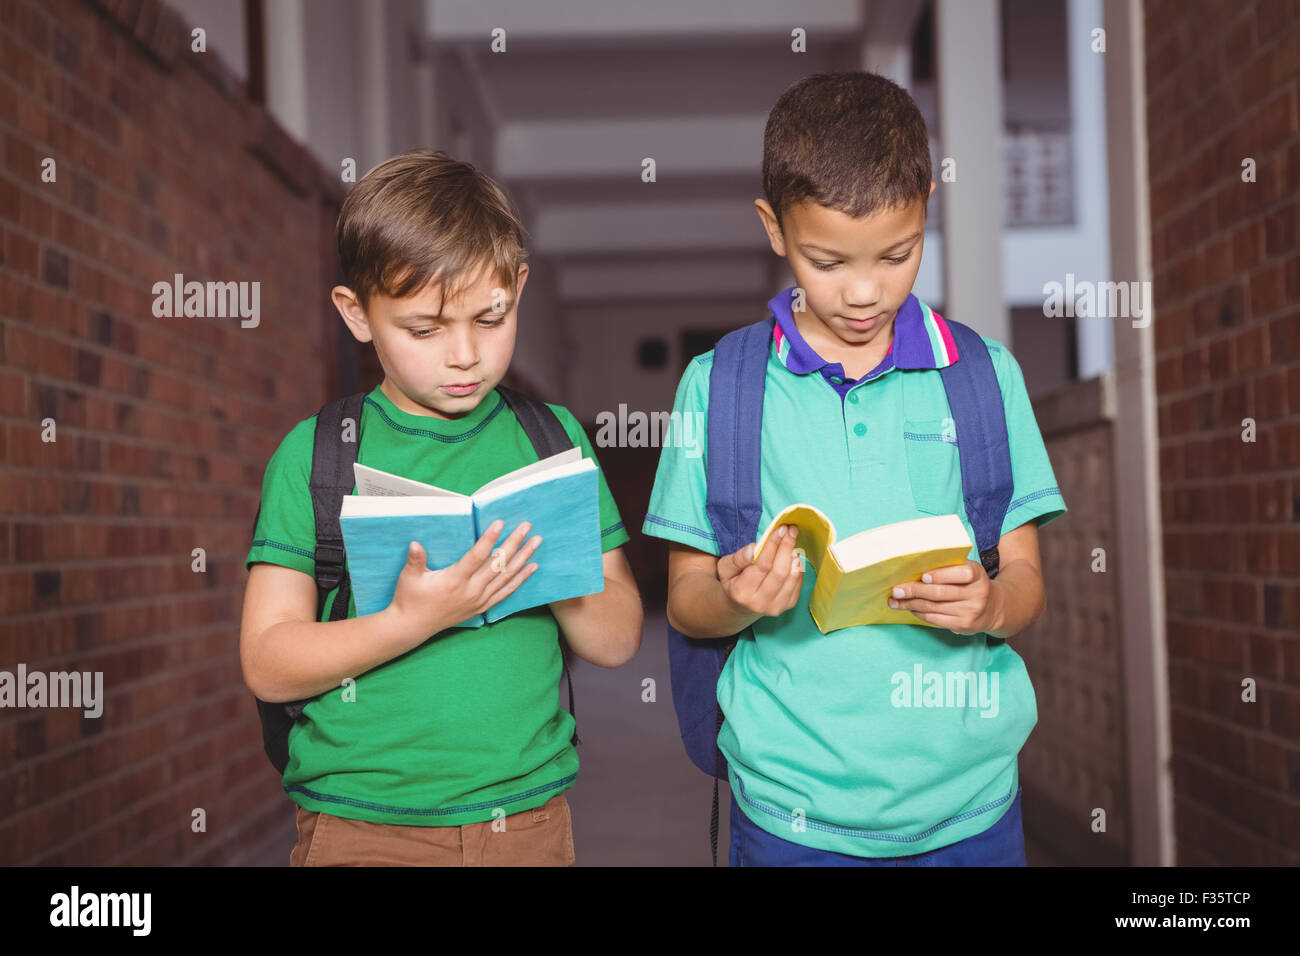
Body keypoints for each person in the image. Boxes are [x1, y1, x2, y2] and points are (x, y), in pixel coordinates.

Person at [643, 72, 1068, 866]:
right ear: (774, 228)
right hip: (790, 811)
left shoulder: (984, 377)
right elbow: (687, 606)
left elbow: (1026, 584)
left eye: (897, 255)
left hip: (972, 807)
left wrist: (988, 604)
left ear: (926, 211)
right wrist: (739, 600)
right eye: (828, 261)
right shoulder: (721, 387)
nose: (866, 292)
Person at [241, 149, 642, 866]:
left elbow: (615, 642)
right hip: (361, 826)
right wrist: (412, 619)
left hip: (524, 821)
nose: (465, 355)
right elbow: (270, 661)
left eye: (491, 318)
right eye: (424, 329)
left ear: (518, 289)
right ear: (357, 315)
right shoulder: (317, 455)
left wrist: (545, 568)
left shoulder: (552, 439)